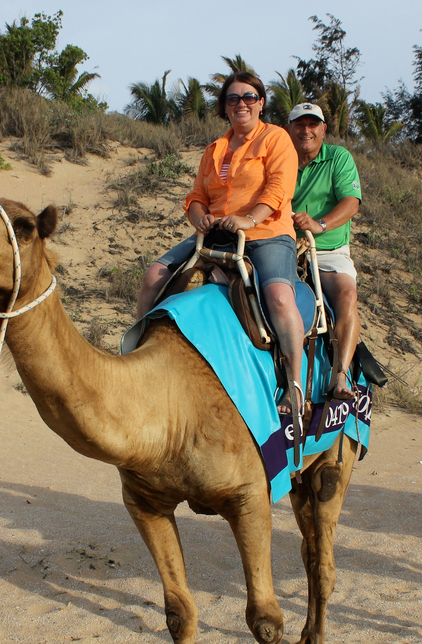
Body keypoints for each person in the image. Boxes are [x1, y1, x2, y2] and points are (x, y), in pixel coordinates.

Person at [137, 72, 304, 415]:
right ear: (224, 107)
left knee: (279, 298)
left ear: (261, 103)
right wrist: (198, 216)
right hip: (215, 235)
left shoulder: (276, 139)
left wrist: (250, 218)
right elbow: (197, 196)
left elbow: (278, 189)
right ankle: (137, 360)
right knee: (153, 276)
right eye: (232, 98)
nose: (241, 103)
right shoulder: (214, 149)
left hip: (266, 232)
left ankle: (294, 384)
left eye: (248, 97)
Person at [287, 102, 361, 400]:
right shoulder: (280, 160)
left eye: (312, 124)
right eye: (299, 125)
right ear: (289, 129)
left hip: (327, 248)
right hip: (283, 245)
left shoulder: (338, 158)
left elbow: (351, 202)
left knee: (346, 295)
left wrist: (320, 224)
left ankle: (340, 375)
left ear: (323, 129)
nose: (306, 131)